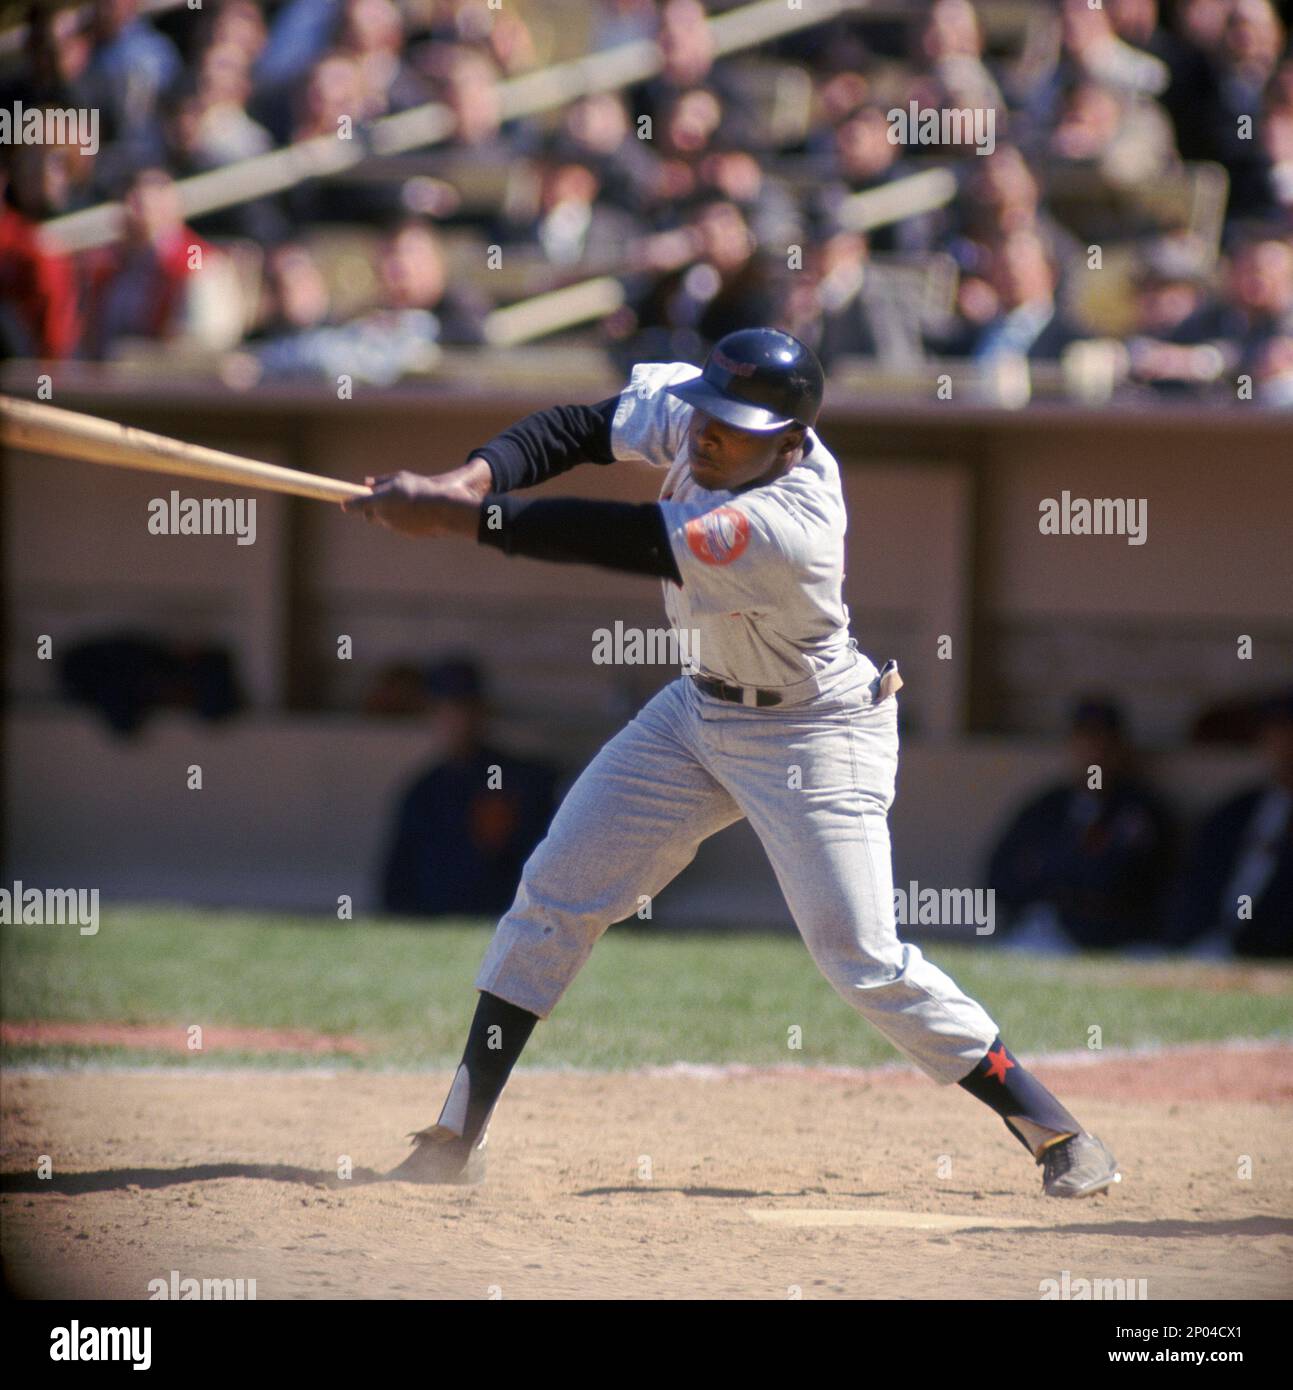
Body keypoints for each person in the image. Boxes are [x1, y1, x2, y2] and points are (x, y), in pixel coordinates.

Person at [344, 328, 1121, 1199]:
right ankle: (454, 1134)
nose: (707, 439)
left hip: (815, 731)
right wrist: (469, 480)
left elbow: (633, 538)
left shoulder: (791, 521)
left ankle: (1055, 1130)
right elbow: (575, 430)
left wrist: (463, 522)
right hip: (696, 708)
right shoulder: (699, 416)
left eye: (736, 430)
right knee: (554, 892)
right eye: (708, 418)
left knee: (860, 958)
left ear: (790, 443)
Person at [987, 697, 1175, 951]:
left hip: (1121, 937)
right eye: (1085, 739)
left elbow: (1131, 881)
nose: (1094, 751)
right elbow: (999, 876)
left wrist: (1059, 872)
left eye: (1103, 741)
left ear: (1120, 748)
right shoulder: (1047, 806)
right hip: (1048, 929)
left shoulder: (1143, 810)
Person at [380, 660, 559, 920]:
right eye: (444, 710)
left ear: (481, 712)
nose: (456, 720)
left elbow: (542, 866)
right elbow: (396, 882)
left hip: (503, 918)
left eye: (464, 708)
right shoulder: (423, 790)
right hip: (431, 921)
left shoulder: (522, 780)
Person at [1165, 692, 1293, 958]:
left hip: (1272, 952)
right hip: (1210, 946)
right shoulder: (1236, 812)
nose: (1283, 744)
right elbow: (1196, 883)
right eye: (1275, 733)